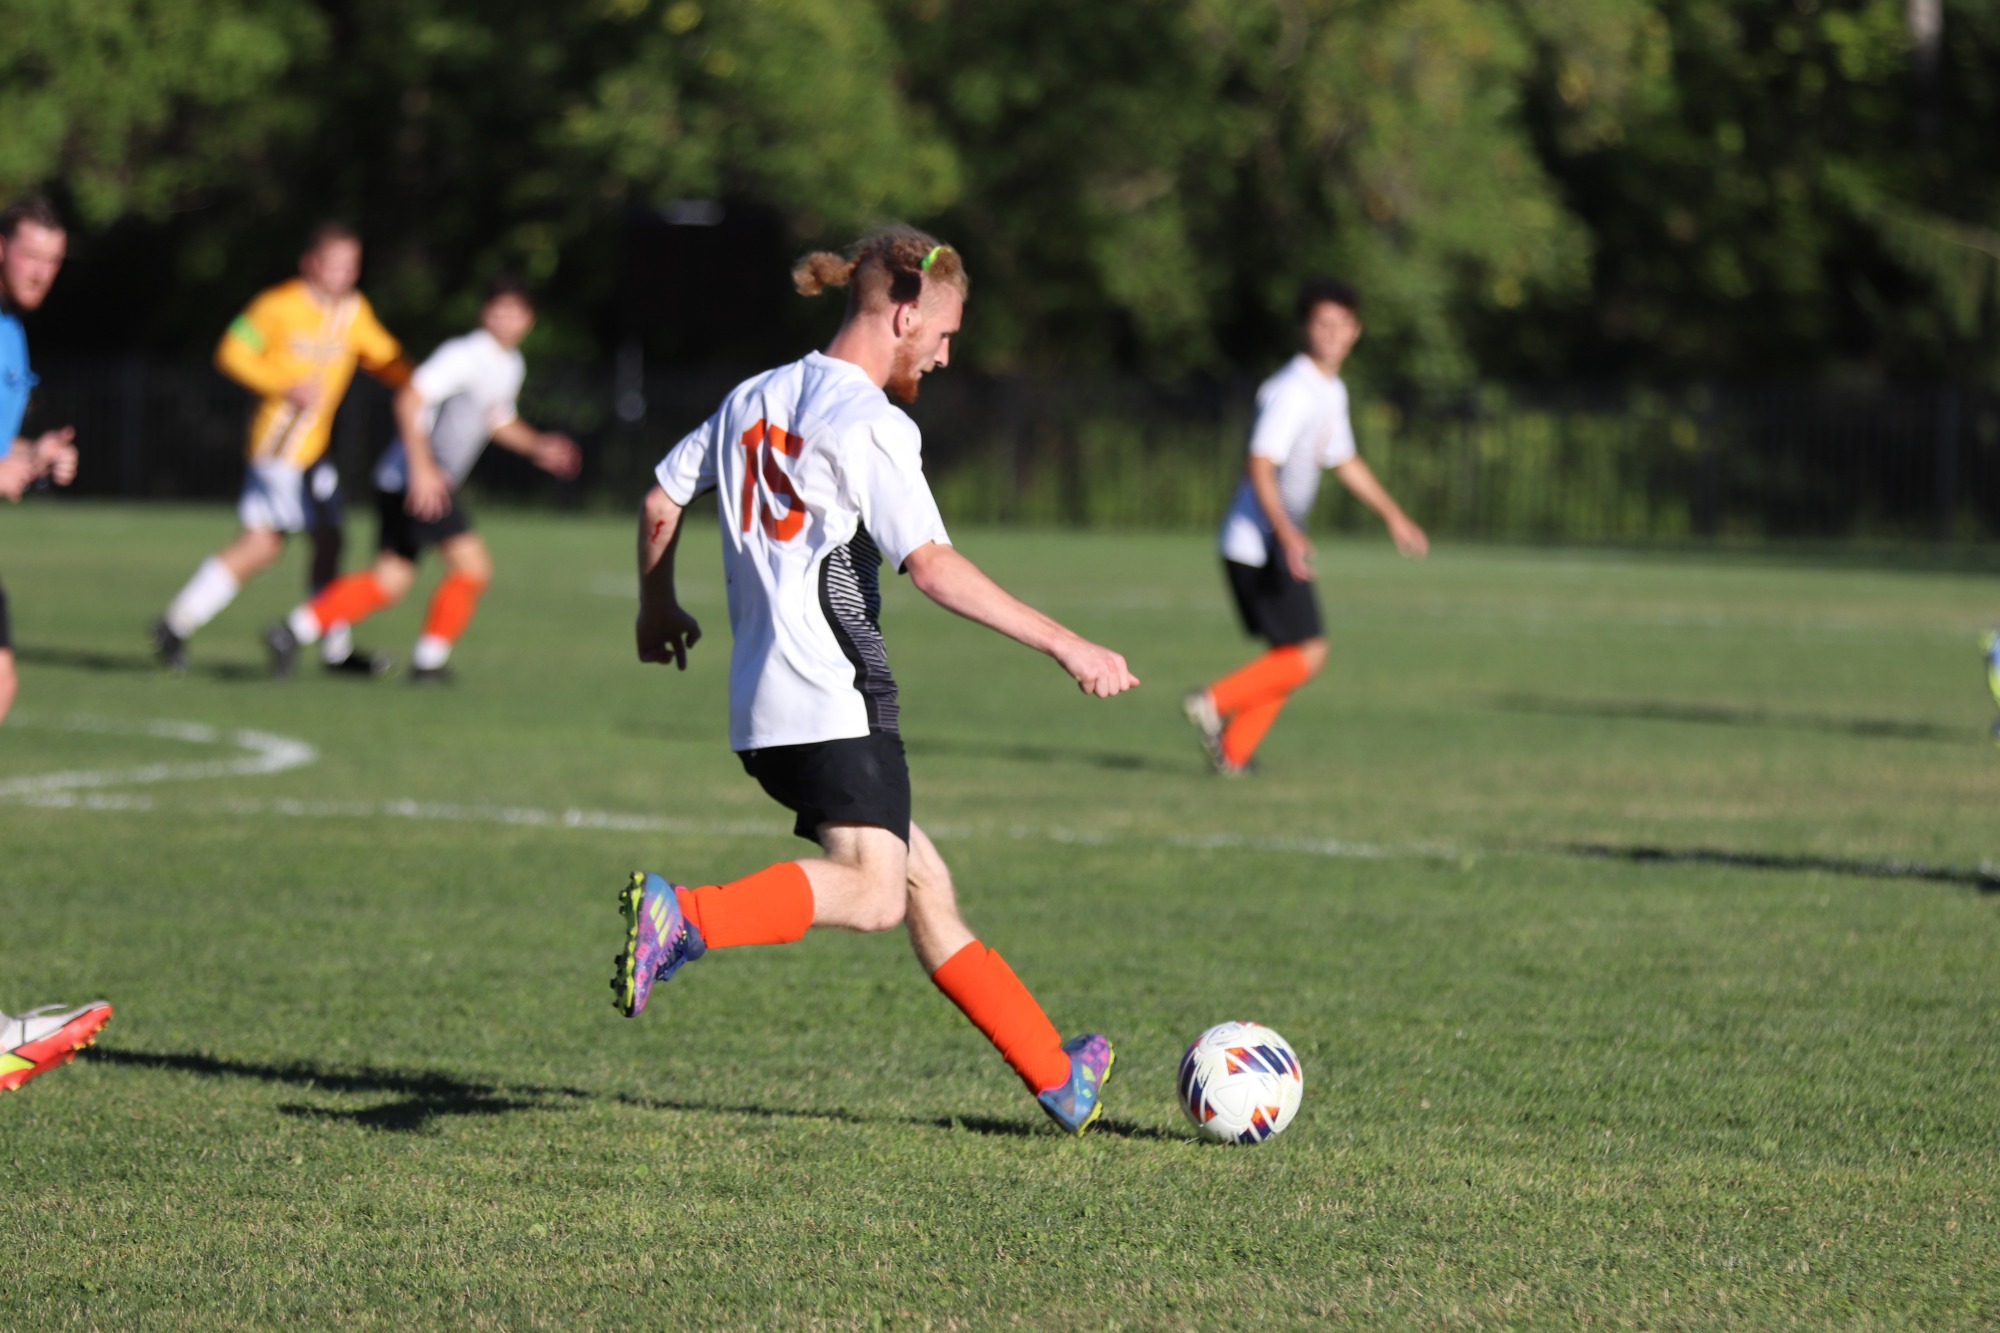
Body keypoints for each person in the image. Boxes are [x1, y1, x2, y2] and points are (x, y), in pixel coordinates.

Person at [613, 229, 1139, 1136]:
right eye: (942, 335)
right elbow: (931, 566)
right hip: (834, 697)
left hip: (761, 710)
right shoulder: (873, 423)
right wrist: (1068, 644)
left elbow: (663, 498)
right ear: (904, 314)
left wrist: (655, 607)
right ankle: (686, 914)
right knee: (875, 891)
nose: (943, 354)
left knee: (923, 880)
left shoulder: (754, 396)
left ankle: (1059, 1074)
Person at [262, 276, 580, 681]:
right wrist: (423, 469)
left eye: (516, 312)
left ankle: (292, 630)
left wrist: (538, 446)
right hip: (421, 481)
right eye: (498, 309)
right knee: (473, 569)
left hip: (407, 480)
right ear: (484, 312)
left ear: (529, 320)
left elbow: (497, 419)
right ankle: (429, 664)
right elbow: (410, 397)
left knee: (388, 582)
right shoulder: (464, 354)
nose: (506, 319)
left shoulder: (509, 364)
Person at [1182, 279, 1428, 776]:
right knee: (1310, 653)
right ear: (1305, 328)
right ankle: (1214, 700)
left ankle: (1233, 753)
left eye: (1343, 324)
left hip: (1269, 540)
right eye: (1323, 323)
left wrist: (1393, 515)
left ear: (1356, 331)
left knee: (1291, 655)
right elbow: (1260, 463)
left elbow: (1345, 459)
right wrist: (1288, 533)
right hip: (1261, 542)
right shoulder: (1293, 391)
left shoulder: (1329, 390)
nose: (1333, 333)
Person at [150, 223, 413, 674]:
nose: (343, 275)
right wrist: (282, 386)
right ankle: (318, 641)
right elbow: (232, 351)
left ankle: (177, 623)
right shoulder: (276, 305)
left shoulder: (352, 312)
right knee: (316, 539)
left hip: (312, 452)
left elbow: (385, 356)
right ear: (309, 263)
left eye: (351, 266)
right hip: (282, 447)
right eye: (334, 265)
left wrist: (425, 385)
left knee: (266, 544)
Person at [0, 196, 113, 1090]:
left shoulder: (13, 335)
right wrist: (19, 464)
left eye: (53, 261)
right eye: (30, 256)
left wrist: (33, 452)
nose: (41, 272)